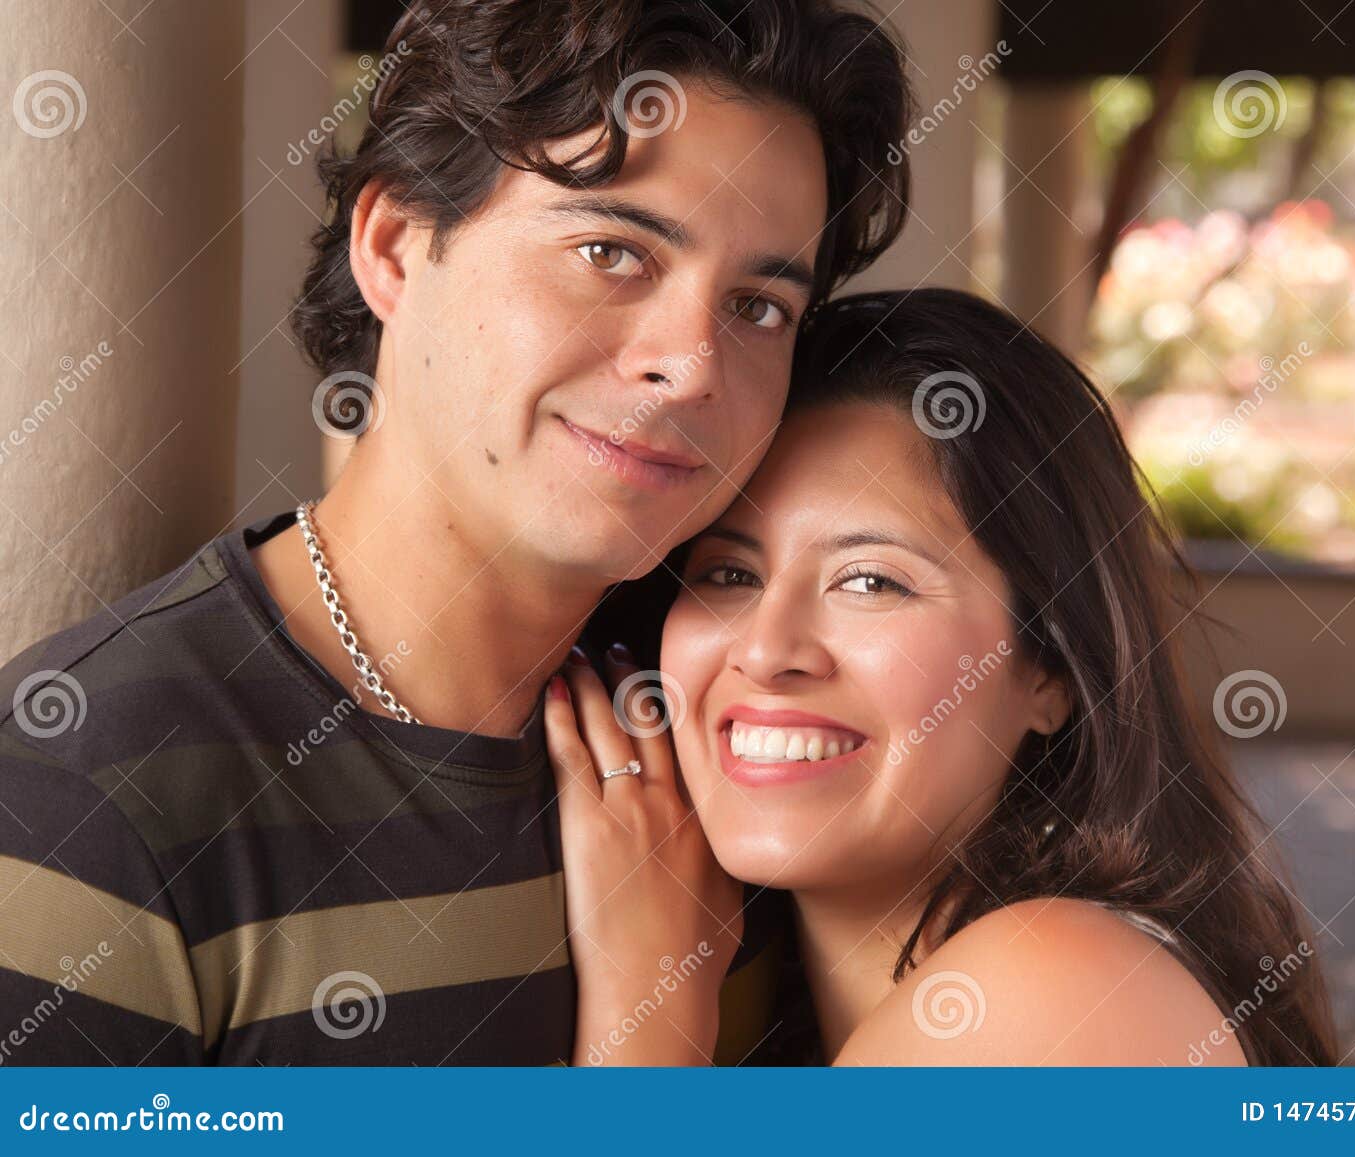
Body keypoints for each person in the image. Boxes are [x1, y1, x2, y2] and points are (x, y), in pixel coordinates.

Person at [0, 0, 911, 1064]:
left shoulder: (739, 736)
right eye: (611, 252)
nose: (694, 364)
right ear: (393, 245)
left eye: (758, 307)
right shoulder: (82, 796)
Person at [548, 289, 1341, 1065]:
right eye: (728, 573)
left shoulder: (1048, 992)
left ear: (1050, 671)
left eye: (870, 581)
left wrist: (647, 1015)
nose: (766, 649)